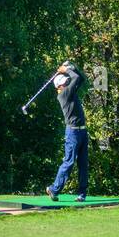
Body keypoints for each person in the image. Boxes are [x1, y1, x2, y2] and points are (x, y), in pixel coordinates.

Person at [45, 61, 88, 202]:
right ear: (60, 86)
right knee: (69, 162)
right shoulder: (63, 95)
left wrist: (72, 67)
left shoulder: (69, 91)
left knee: (83, 163)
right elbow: (74, 78)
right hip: (73, 133)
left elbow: (80, 78)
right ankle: (54, 189)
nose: (68, 83)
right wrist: (66, 69)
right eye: (65, 82)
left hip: (82, 132)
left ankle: (82, 194)